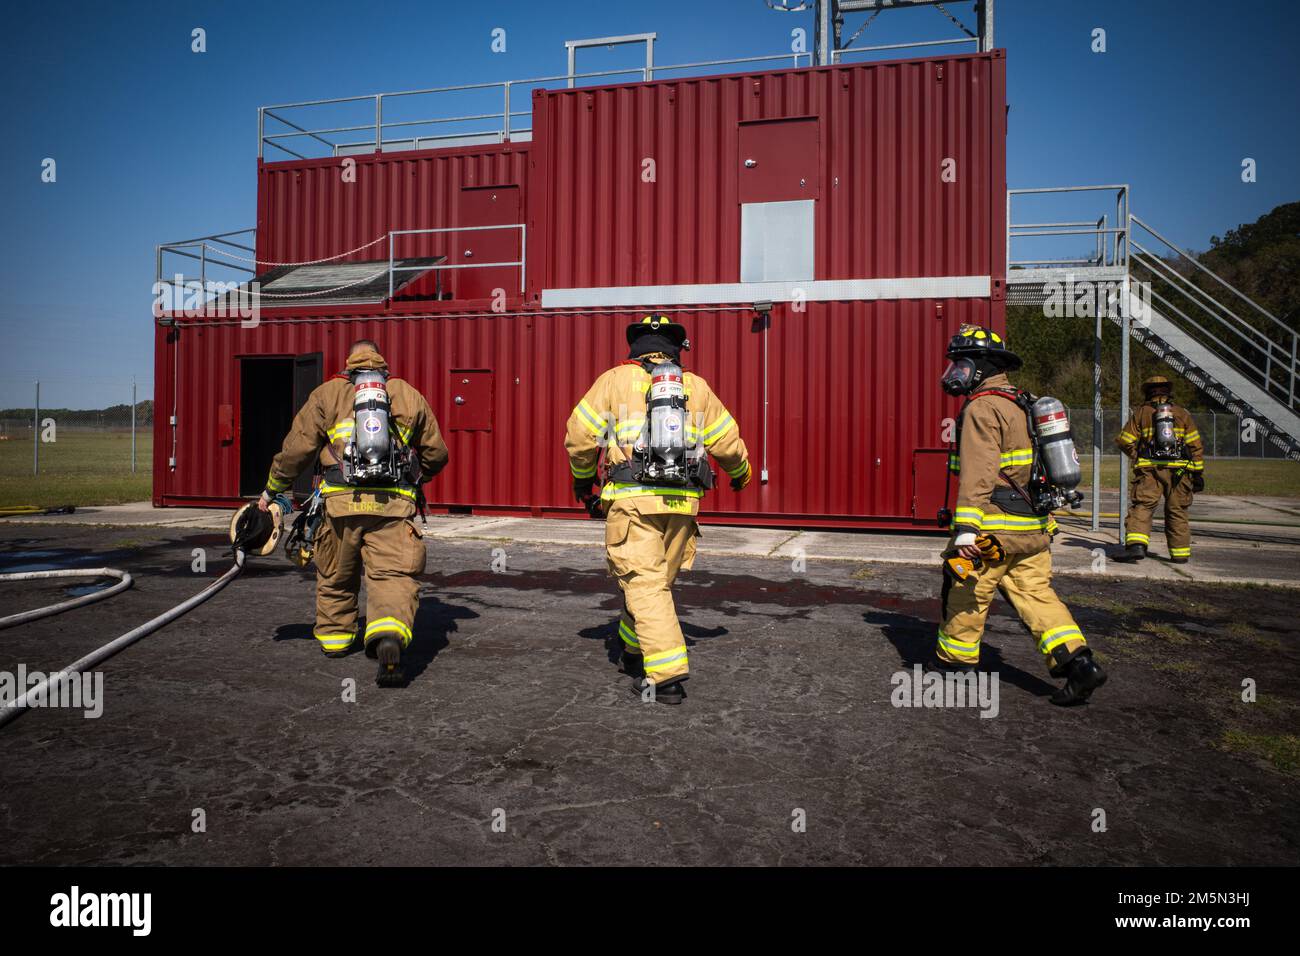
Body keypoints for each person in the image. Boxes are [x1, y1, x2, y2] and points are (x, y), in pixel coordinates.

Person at [564, 315, 752, 704]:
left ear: (635, 347)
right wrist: (742, 474)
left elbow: (579, 436)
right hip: (682, 505)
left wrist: (583, 481)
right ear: (676, 348)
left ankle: (665, 678)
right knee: (654, 585)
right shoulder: (695, 386)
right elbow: (728, 442)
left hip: (633, 501)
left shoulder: (614, 380)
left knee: (644, 584)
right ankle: (633, 651)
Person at [259, 339, 448, 685]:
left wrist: (272, 489)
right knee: (392, 576)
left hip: (339, 505)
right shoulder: (405, 393)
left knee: (335, 575)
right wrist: (420, 478)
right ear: (382, 363)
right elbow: (436, 453)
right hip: (393, 507)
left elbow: (297, 449)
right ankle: (388, 636)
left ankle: (335, 639)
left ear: (349, 364)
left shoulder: (328, 394)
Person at [935, 324, 1106, 705]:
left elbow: (979, 474)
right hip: (1032, 529)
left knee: (967, 594)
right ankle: (1081, 665)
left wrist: (965, 530)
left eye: (961, 365)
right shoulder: (1024, 402)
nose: (955, 374)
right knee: (1038, 597)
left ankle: (955, 667)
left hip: (991, 530)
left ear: (981, 367)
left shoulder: (983, 407)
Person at [1114, 374, 1205, 563]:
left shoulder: (1142, 413)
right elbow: (1195, 446)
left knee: (1143, 506)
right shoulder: (1182, 413)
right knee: (1177, 510)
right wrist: (1197, 474)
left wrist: (1137, 455)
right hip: (1180, 472)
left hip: (1150, 470)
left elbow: (1124, 440)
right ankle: (1180, 555)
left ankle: (1136, 547)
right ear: (1168, 391)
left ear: (1148, 392)